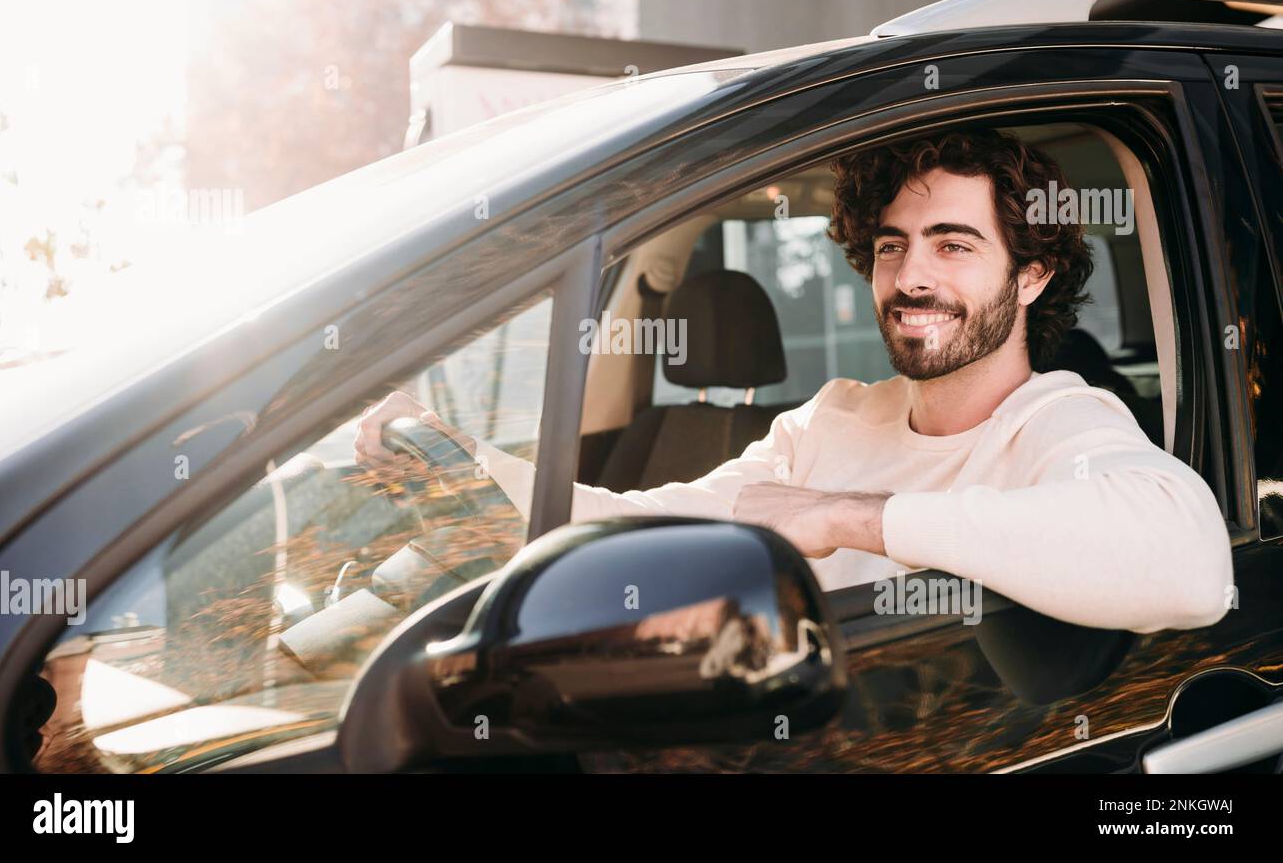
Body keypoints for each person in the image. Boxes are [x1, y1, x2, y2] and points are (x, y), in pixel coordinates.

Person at [355, 128, 1233, 634]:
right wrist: (465, 463)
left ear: (1032, 275)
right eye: (893, 246)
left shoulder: (1058, 421)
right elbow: (646, 523)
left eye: (954, 246)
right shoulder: (833, 420)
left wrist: (851, 518)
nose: (913, 278)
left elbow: (1191, 568)